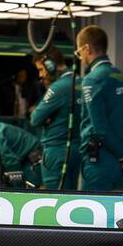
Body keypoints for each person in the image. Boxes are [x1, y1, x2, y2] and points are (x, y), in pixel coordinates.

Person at [75, 25, 123, 191]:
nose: (80, 57)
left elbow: (100, 128)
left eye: (79, 52)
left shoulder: (92, 80)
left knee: (92, 213)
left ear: (87, 48)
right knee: (118, 213)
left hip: (100, 161)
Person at [29, 45, 83, 189]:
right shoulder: (81, 82)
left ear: (50, 66)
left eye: (41, 69)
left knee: (56, 199)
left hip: (57, 152)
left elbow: (35, 118)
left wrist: (47, 116)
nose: (40, 75)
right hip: (77, 150)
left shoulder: (58, 87)